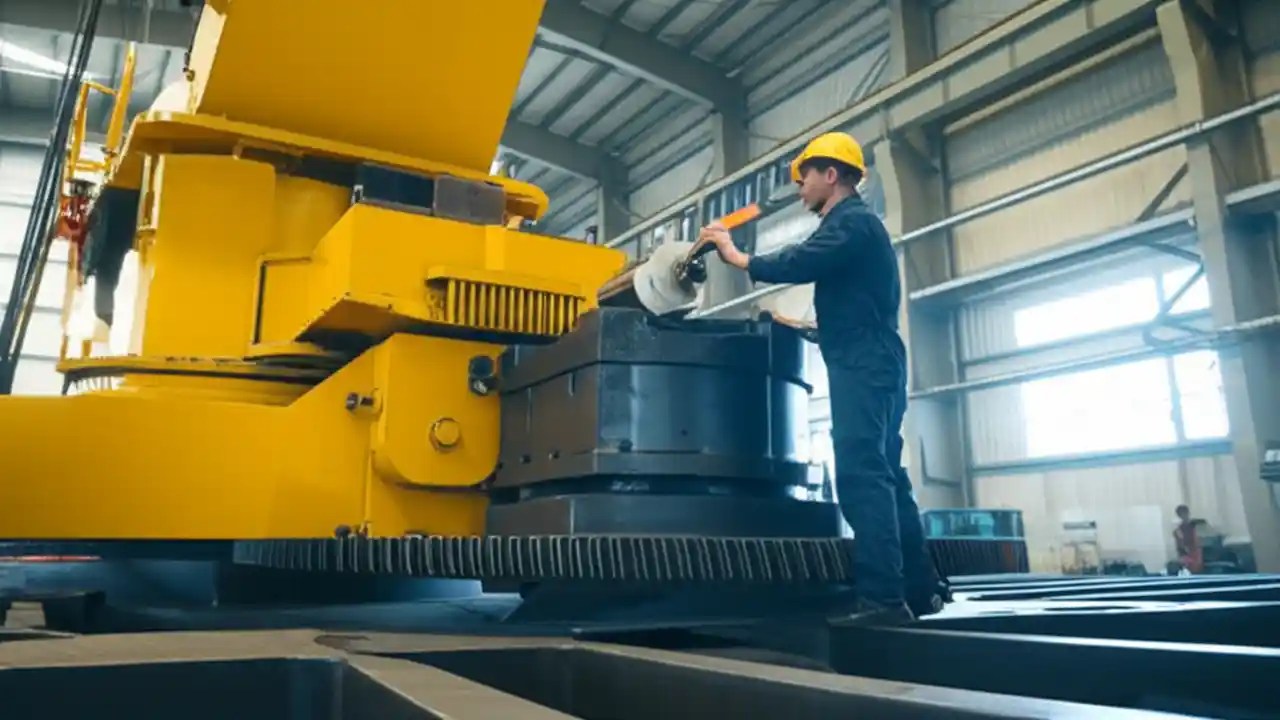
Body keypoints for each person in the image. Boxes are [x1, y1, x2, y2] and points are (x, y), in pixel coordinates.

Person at [699, 131, 944, 622]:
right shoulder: (856, 230)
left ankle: (882, 600)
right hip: (875, 360)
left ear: (831, 175)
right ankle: (920, 591)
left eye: (804, 177)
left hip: (865, 364)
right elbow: (857, 308)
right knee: (886, 474)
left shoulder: (851, 223)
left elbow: (802, 260)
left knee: (860, 474)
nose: (799, 188)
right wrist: (804, 327)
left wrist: (739, 257)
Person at [1173, 504, 1204, 574]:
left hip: (1201, 558)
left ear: (1188, 513)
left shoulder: (1198, 525)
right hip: (1189, 560)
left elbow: (1201, 543)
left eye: (1185, 513)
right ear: (1179, 516)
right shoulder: (1178, 531)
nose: (1184, 516)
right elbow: (1180, 549)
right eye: (1181, 514)